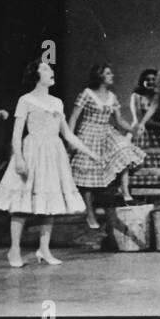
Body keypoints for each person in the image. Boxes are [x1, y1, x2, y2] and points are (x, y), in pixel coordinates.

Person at [0, 60, 97, 267]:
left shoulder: (57, 102)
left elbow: (67, 134)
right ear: (36, 75)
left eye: (50, 68)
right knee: (21, 202)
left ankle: (44, 250)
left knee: (50, 202)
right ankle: (14, 250)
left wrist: (90, 152)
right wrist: (19, 159)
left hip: (53, 154)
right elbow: (16, 135)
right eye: (45, 69)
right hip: (32, 152)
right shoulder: (25, 100)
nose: (51, 71)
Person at [66, 64, 146, 227]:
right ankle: (90, 214)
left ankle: (125, 191)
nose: (112, 75)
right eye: (108, 73)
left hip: (106, 131)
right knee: (87, 173)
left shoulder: (112, 96)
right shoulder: (87, 93)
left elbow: (119, 120)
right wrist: (70, 140)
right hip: (88, 133)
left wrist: (133, 130)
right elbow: (73, 118)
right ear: (99, 75)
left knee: (124, 149)